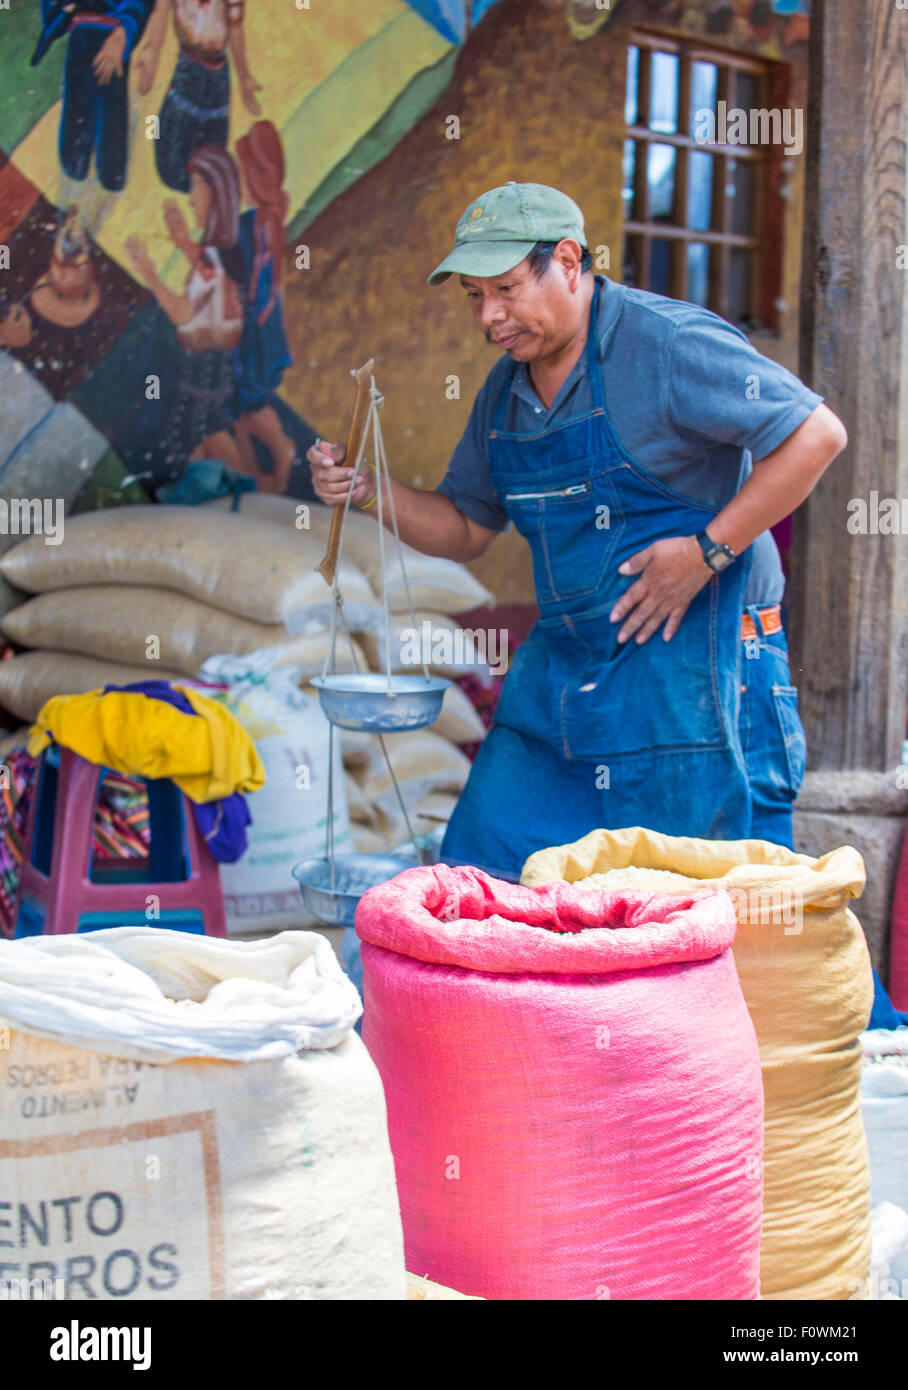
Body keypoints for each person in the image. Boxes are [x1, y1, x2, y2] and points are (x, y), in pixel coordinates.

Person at [307, 181, 847, 881]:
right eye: (474, 295)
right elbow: (468, 526)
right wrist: (370, 491)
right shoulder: (506, 393)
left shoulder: (668, 345)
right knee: (485, 875)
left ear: (568, 261)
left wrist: (706, 554)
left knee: (708, 914)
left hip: (698, 673)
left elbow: (816, 434)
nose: (489, 318)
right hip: (571, 674)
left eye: (505, 289)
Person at [125, 144, 246, 480]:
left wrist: (148, 272)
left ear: (215, 189)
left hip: (203, 376)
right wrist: (181, 241)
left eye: (195, 186)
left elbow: (185, 314)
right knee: (200, 447)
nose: (191, 198)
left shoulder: (222, 252)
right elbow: (211, 272)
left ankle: (244, 509)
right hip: (210, 374)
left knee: (196, 443)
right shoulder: (224, 248)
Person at [133, 0, 261, 193]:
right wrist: (151, 50)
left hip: (217, 77)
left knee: (211, 161)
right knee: (171, 163)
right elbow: (160, 11)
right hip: (187, 68)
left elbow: (235, 25)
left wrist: (244, 77)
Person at [231, 120, 296, 494]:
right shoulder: (266, 216)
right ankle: (255, 479)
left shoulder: (254, 223)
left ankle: (279, 468)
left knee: (251, 402)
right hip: (258, 326)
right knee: (240, 410)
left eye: (244, 173)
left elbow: (253, 282)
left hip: (256, 329)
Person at [30, 0, 155, 193]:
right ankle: (82, 176)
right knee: (75, 150)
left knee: (110, 139)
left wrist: (124, 31)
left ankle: (108, 179)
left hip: (114, 32)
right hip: (82, 32)